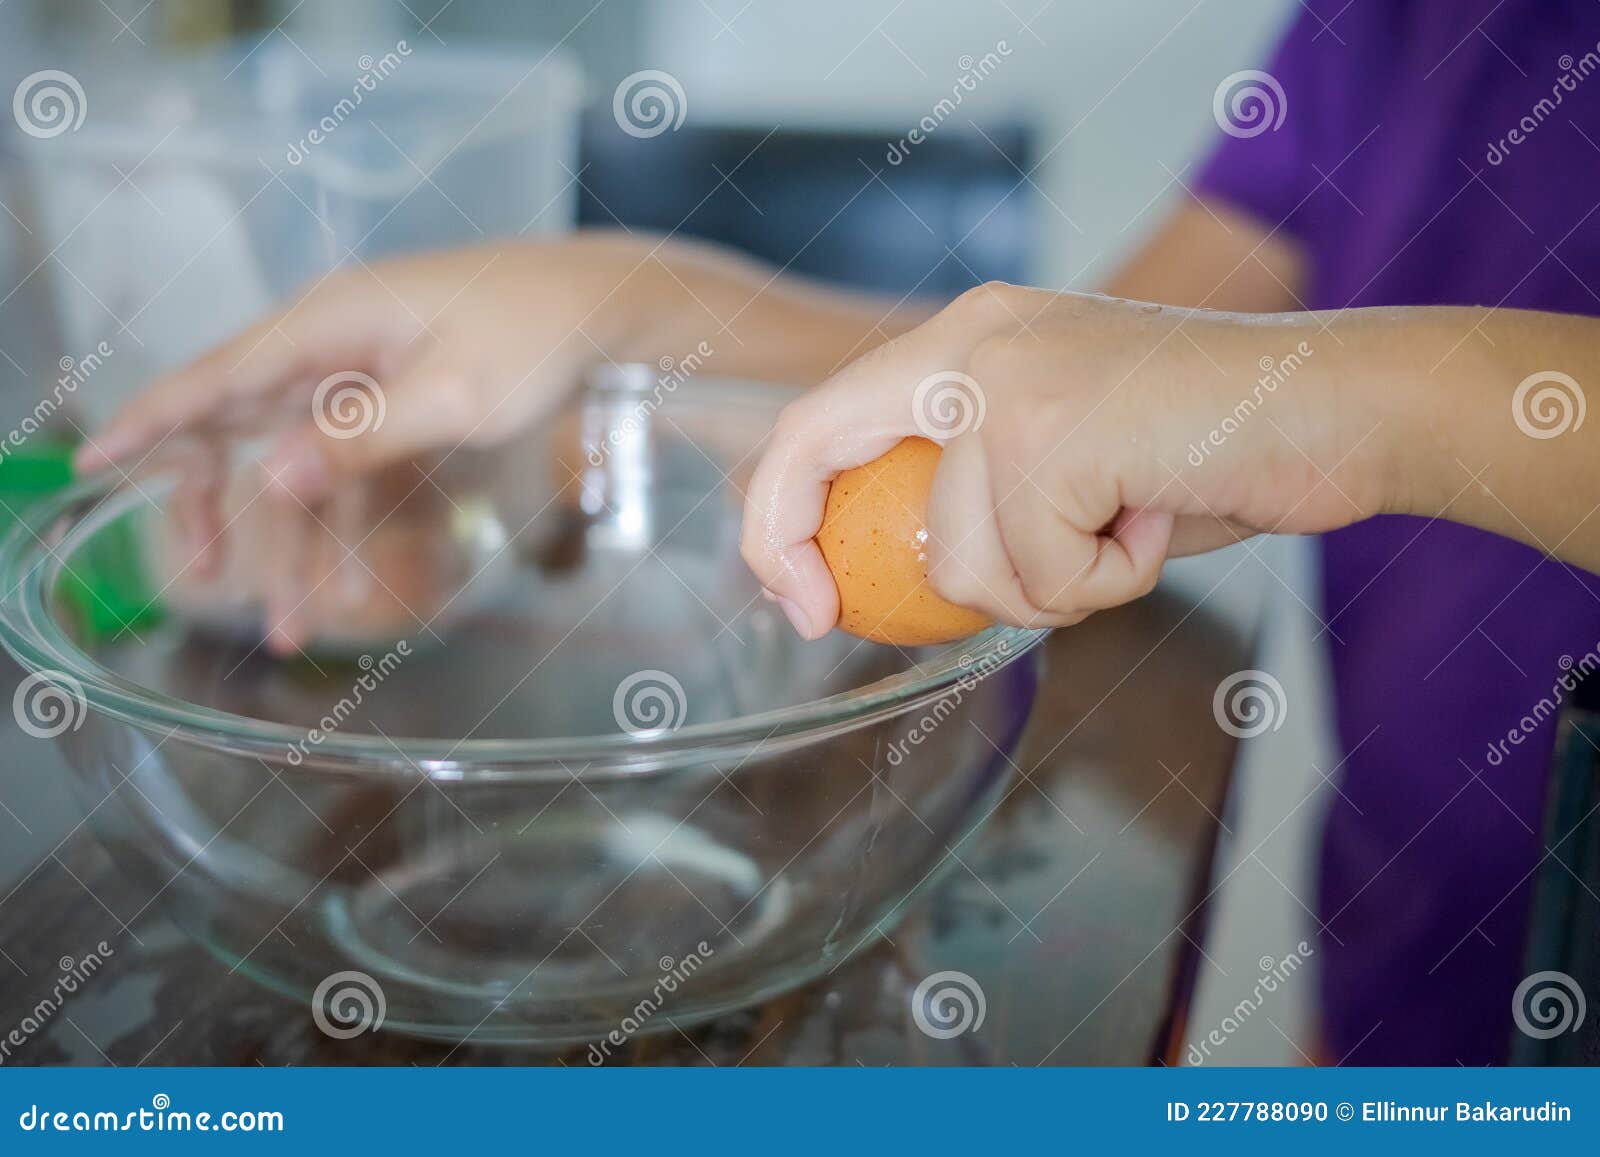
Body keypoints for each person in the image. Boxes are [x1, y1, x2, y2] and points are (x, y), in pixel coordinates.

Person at [77, 0, 1600, 1063]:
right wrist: (626, 305)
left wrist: (1366, 403)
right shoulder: (1394, 17)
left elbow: (1252, 396)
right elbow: (1092, 384)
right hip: (1407, 983)